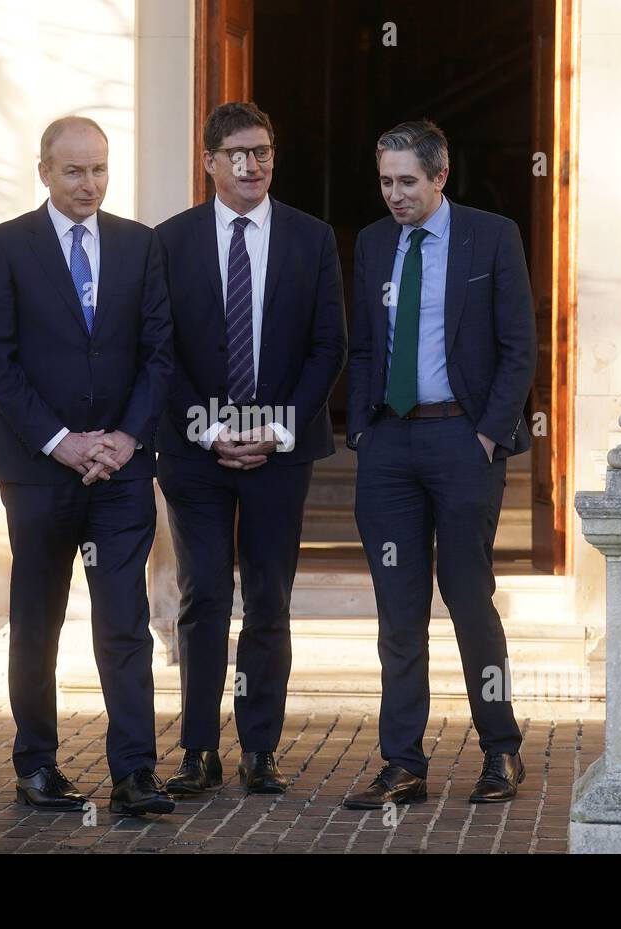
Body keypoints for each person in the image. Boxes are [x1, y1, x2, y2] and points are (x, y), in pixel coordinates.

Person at [0, 116, 175, 816]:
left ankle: (135, 773)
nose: (89, 184)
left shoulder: (139, 245)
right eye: (73, 171)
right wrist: (61, 441)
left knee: (124, 620)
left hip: (121, 471)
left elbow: (160, 353)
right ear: (44, 172)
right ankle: (36, 767)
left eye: (99, 169)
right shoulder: (5, 247)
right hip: (37, 470)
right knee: (38, 620)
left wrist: (123, 439)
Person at [154, 102, 347, 796]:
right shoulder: (168, 242)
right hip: (193, 447)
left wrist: (278, 426)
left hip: (280, 448)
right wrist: (208, 428)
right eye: (236, 152)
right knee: (204, 593)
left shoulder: (311, 237)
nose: (252, 164)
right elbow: (160, 350)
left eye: (262, 151)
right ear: (209, 161)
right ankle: (197, 749)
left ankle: (260, 748)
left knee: (268, 597)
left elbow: (330, 344)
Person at [343, 120, 535, 809]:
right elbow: (362, 344)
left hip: (462, 442)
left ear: (439, 176)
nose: (395, 196)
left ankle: (501, 751)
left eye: (407, 182)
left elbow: (519, 346)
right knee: (398, 614)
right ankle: (404, 766)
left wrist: (489, 435)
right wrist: (363, 427)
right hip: (391, 446)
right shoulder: (371, 243)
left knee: (468, 601)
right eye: (386, 182)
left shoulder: (491, 236)